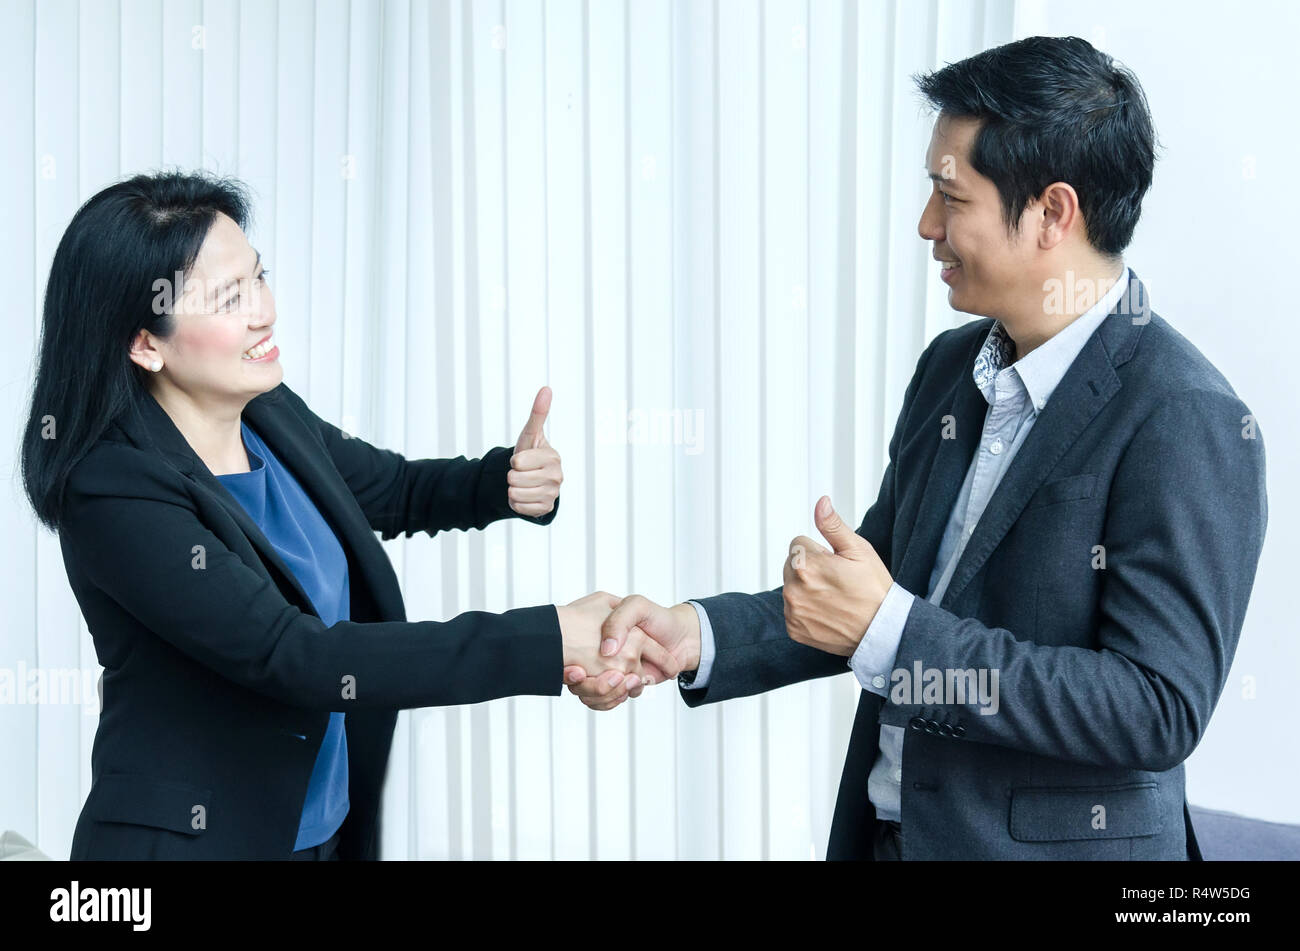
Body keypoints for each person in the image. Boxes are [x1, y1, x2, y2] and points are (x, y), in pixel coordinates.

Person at [566, 36, 1268, 860]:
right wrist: (694, 634)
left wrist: (894, 631)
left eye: (950, 194)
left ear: (1053, 213)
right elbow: (876, 591)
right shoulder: (949, 368)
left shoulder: (1187, 415)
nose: (927, 224)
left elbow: (1155, 707)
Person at [21, 170, 668, 860]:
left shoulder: (266, 411)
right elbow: (295, 655)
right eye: (230, 297)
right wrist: (546, 639)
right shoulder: (112, 487)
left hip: (323, 830)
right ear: (145, 343)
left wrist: (504, 482)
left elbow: (392, 489)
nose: (264, 311)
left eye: (259, 277)